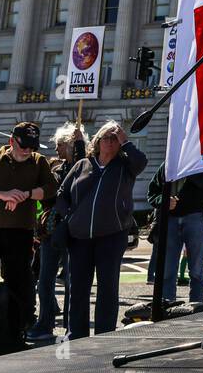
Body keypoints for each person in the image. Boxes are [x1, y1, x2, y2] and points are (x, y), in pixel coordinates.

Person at [54, 121, 147, 338]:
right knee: (77, 288)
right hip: (80, 237)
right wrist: (71, 217)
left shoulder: (125, 167)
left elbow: (141, 161)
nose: (111, 142)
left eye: (115, 139)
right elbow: (62, 193)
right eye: (107, 137)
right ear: (97, 141)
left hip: (112, 235)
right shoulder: (82, 165)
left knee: (107, 288)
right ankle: (76, 333)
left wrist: (126, 141)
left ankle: (105, 334)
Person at [0, 123, 58, 338]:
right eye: (23, 146)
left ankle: (17, 328)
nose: (27, 151)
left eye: (31, 147)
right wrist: (4, 194)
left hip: (20, 232)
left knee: (19, 281)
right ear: (11, 141)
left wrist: (24, 194)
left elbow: (51, 189)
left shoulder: (39, 161)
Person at [25, 123, 86, 341]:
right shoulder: (55, 169)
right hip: (52, 230)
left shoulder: (85, 165)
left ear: (71, 145)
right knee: (45, 278)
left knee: (72, 281)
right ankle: (45, 322)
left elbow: (79, 173)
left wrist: (80, 144)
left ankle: (72, 325)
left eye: (61, 145)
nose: (57, 150)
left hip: (76, 230)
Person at [146, 163, 203, 305]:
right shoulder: (168, 164)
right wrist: (164, 200)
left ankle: (195, 308)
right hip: (171, 219)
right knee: (167, 271)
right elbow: (152, 192)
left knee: (196, 270)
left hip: (196, 216)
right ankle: (167, 307)